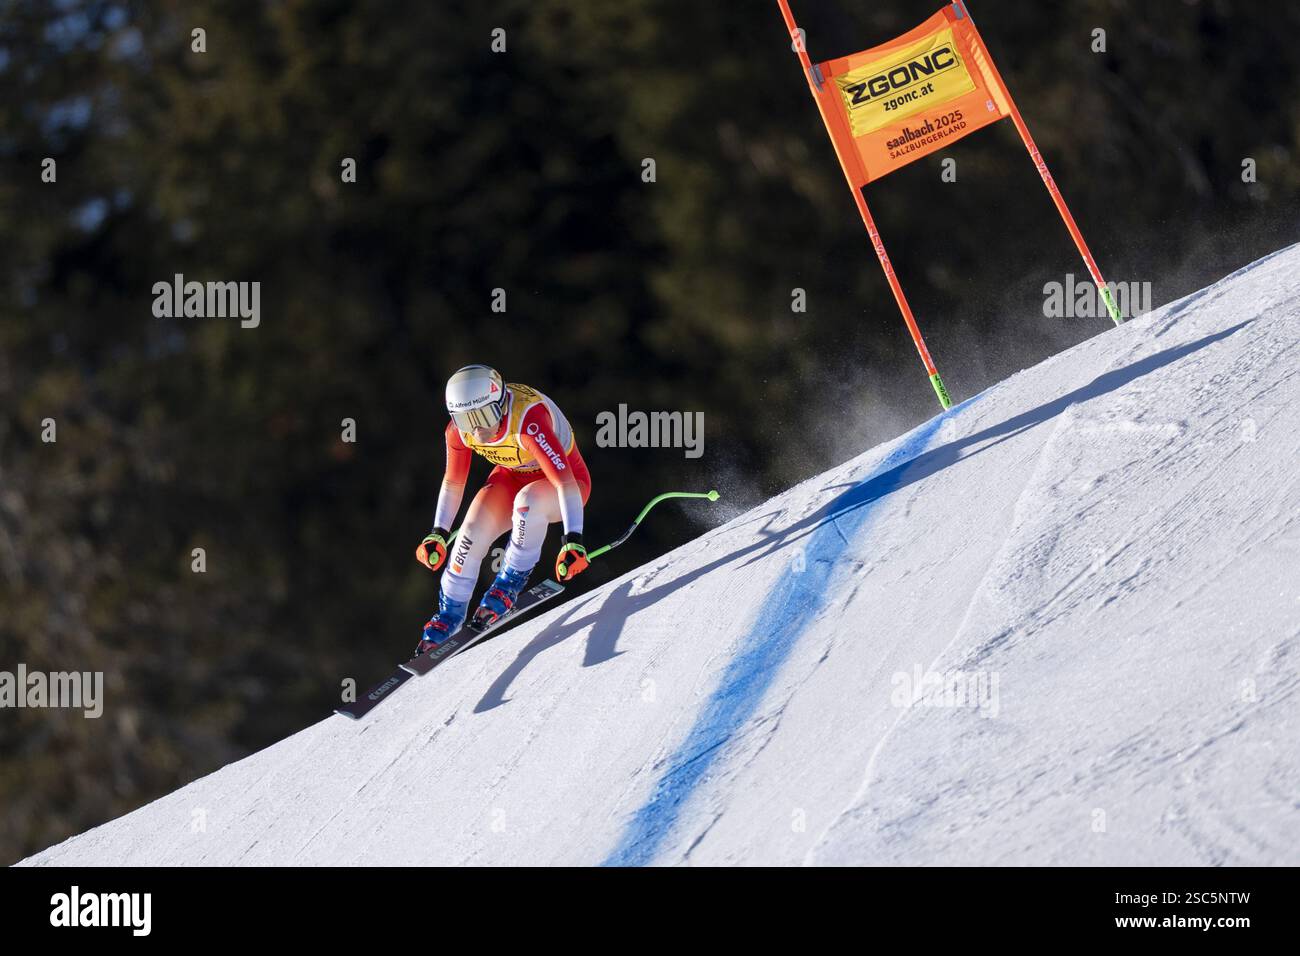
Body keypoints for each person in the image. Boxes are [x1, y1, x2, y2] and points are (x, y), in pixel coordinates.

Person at [414, 364, 592, 654]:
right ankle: (449, 615)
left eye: (483, 416)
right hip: (511, 477)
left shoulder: (528, 422)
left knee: (527, 503)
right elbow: (453, 482)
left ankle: (507, 585)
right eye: (464, 419)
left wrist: (574, 539)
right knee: (470, 533)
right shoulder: (458, 433)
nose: (477, 429)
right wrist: (438, 533)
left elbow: (565, 484)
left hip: (564, 485)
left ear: (500, 404)